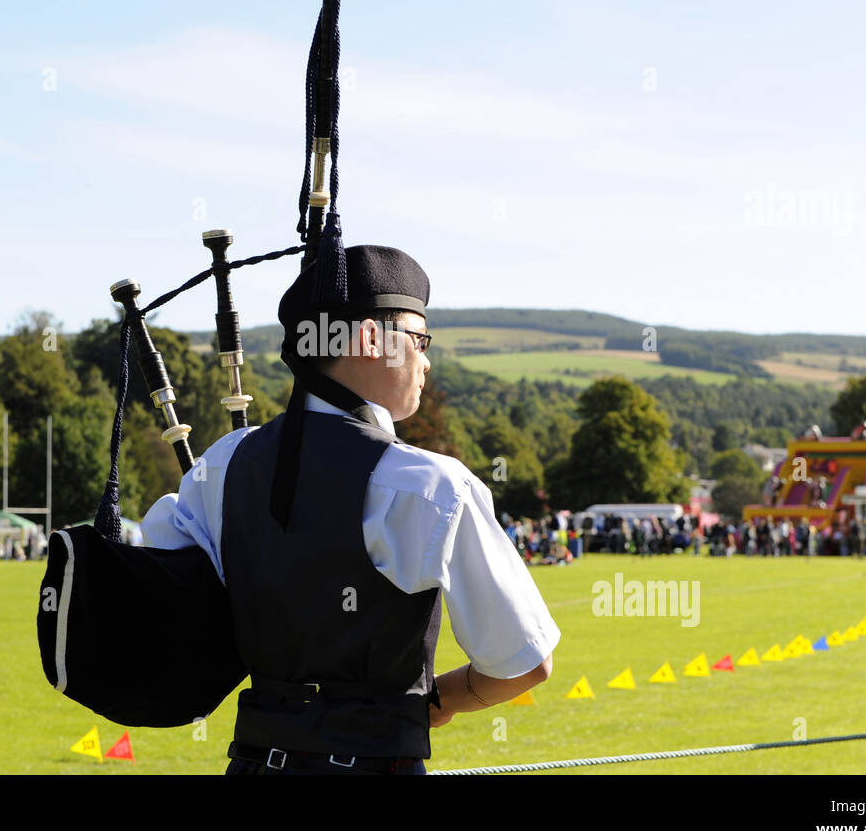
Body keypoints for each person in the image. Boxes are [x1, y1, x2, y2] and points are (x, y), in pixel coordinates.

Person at [141, 245, 559, 775]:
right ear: (368, 339)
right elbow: (524, 661)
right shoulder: (429, 484)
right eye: (419, 338)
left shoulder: (225, 460)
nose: (427, 358)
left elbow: (172, 584)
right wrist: (439, 703)